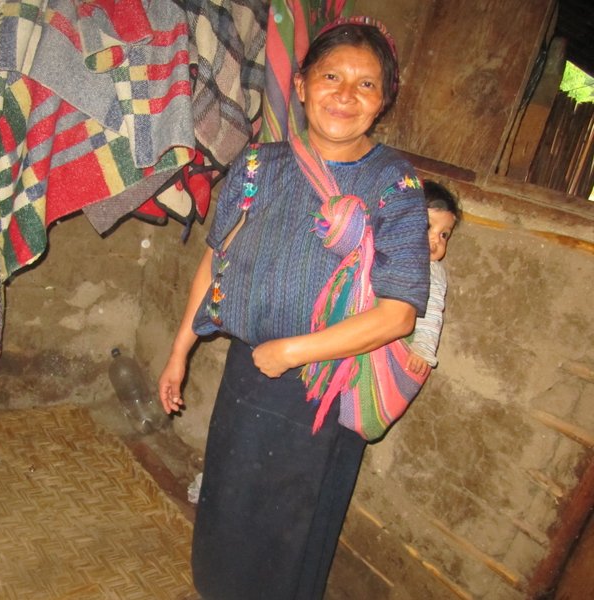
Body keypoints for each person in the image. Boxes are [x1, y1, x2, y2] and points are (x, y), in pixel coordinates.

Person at [157, 16, 430, 600]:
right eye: (331, 76)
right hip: (247, 376)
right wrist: (180, 349)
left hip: (325, 388)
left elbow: (399, 314)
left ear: (383, 102)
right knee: (228, 504)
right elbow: (215, 261)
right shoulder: (258, 166)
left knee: (291, 531)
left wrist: (291, 352)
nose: (344, 95)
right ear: (302, 84)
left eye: (365, 84)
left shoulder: (394, 184)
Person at [405, 179, 460, 377]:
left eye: (444, 235)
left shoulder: (431, 271)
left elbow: (432, 312)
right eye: (429, 226)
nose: (436, 239)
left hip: (393, 345)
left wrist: (422, 348)